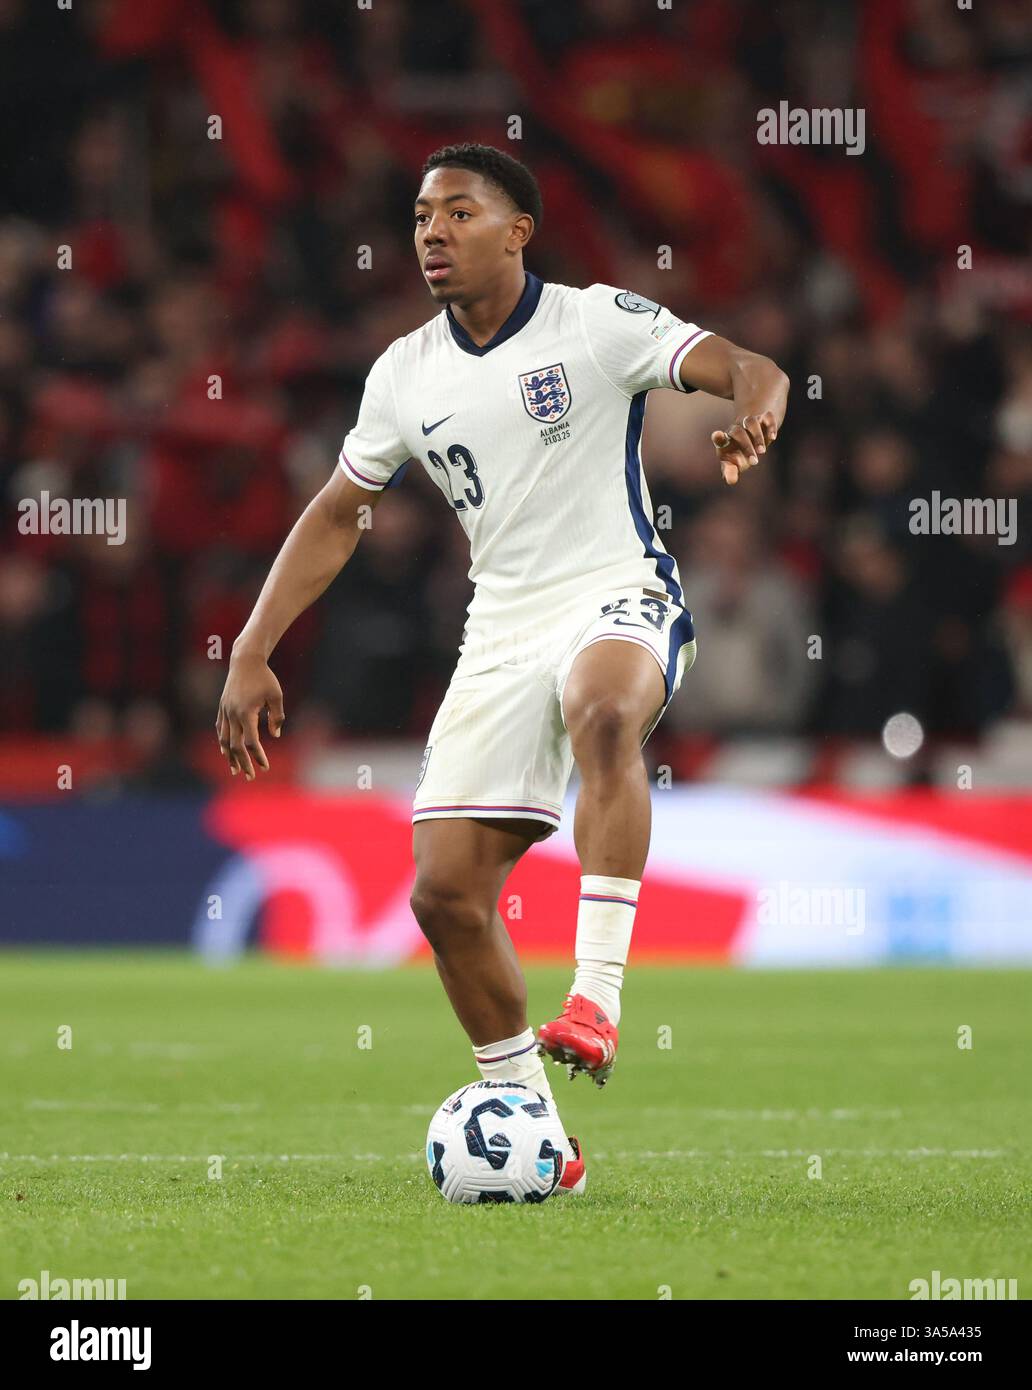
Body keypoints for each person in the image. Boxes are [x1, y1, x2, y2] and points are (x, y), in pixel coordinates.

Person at [216, 142, 789, 1194]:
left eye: (459, 212)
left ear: (518, 230)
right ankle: (538, 1128)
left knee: (605, 710)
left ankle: (599, 997)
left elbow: (755, 368)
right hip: (501, 627)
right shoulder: (403, 374)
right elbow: (341, 511)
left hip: (621, 588)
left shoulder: (596, 321)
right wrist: (253, 647)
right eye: (422, 216)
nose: (432, 231)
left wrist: (754, 407)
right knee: (444, 897)